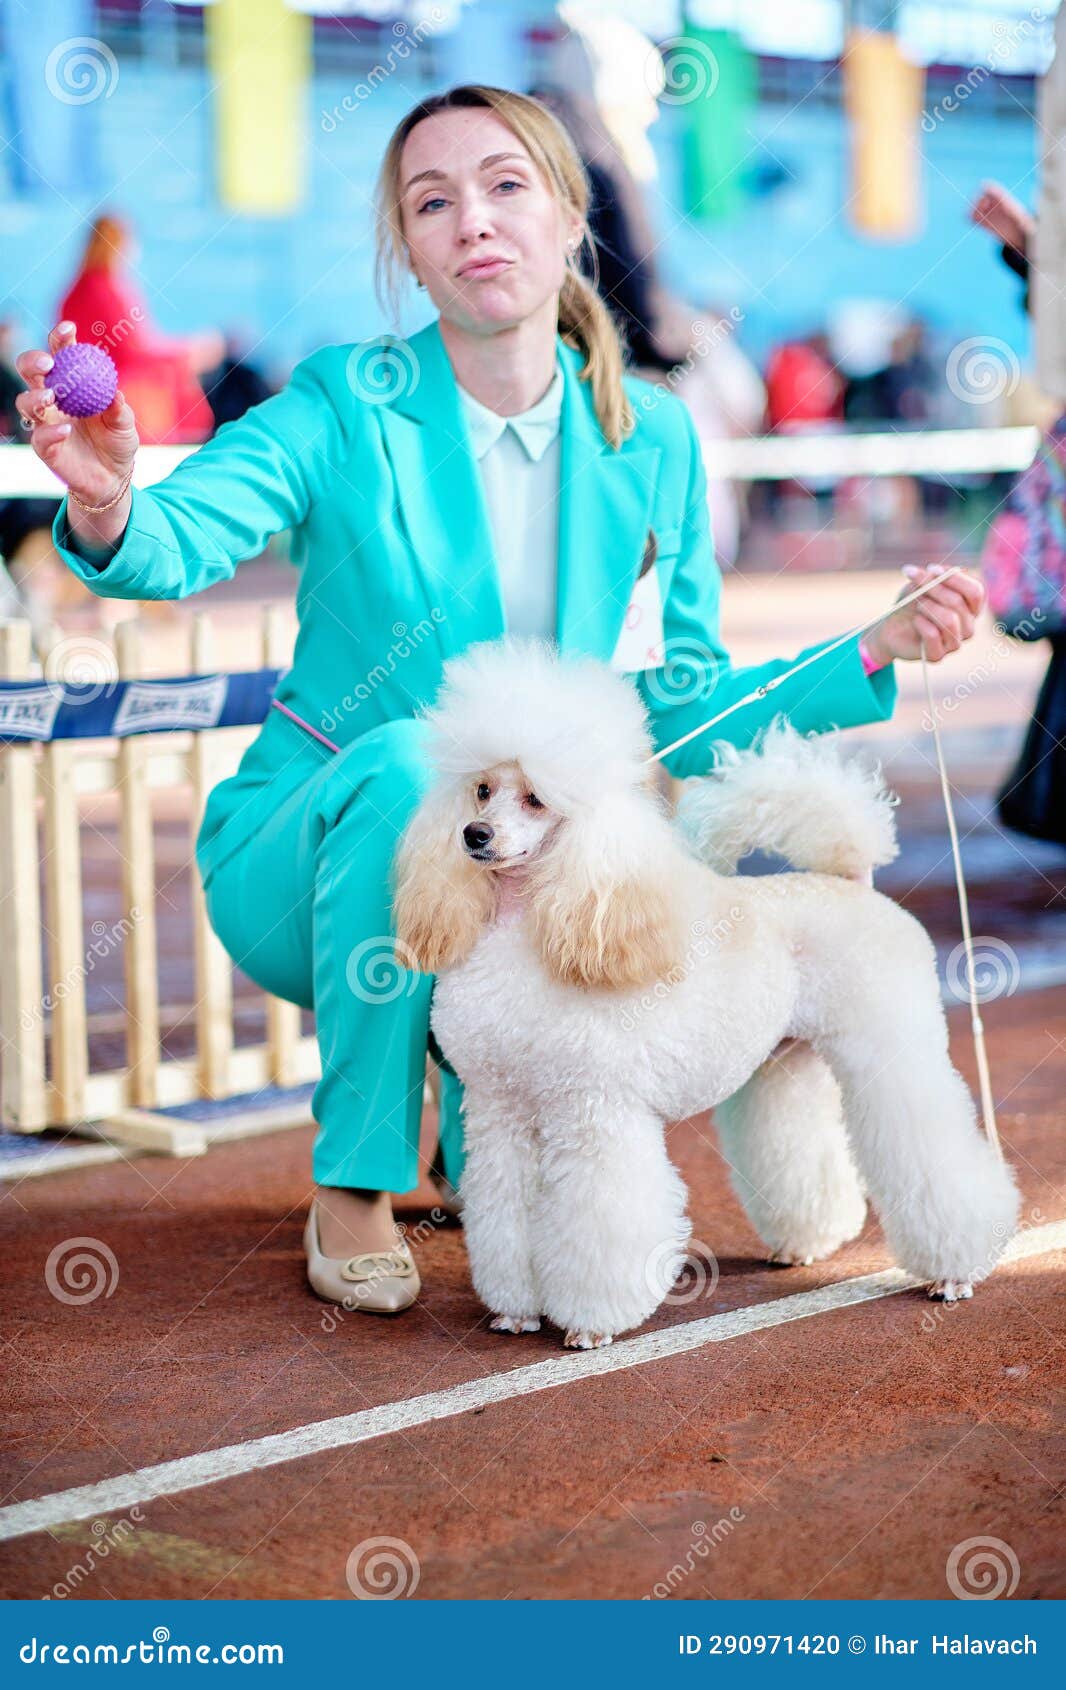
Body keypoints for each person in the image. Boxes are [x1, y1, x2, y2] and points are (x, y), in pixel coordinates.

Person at [15, 85, 985, 1319]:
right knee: (415, 756)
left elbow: (672, 705)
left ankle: (462, 1121)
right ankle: (356, 1178)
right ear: (409, 251)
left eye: (505, 185)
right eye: (433, 201)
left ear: (569, 216)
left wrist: (872, 646)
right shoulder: (339, 401)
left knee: (555, 1016)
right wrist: (108, 504)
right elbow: (186, 530)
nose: (471, 219)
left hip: (508, 887)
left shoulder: (656, 441)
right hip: (310, 849)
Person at [56, 212, 222, 445]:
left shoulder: (77, 290)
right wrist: (189, 351)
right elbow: (134, 350)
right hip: (123, 402)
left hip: (89, 407)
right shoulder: (106, 289)